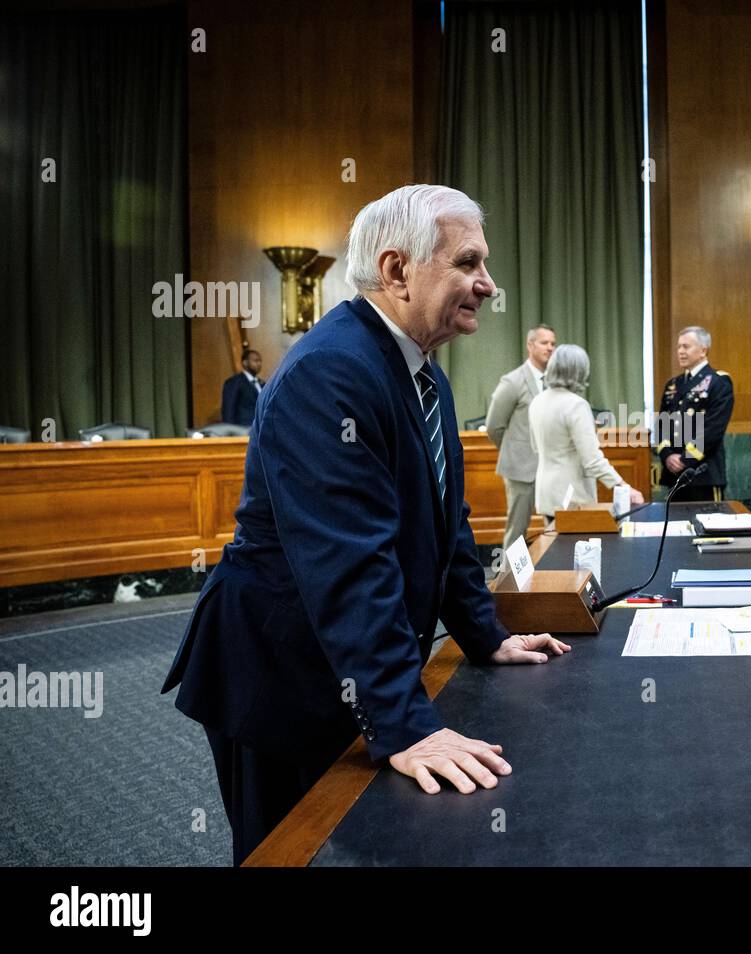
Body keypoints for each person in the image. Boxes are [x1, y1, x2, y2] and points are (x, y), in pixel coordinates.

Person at [161, 185, 571, 865]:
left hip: (344, 670)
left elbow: (449, 528)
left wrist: (486, 636)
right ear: (397, 270)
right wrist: (407, 725)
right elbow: (349, 564)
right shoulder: (332, 372)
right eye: (468, 262)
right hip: (279, 680)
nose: (488, 284)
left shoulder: (424, 376)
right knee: (293, 850)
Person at [529, 343, 644, 519]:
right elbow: (592, 460)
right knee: (576, 547)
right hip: (572, 497)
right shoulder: (576, 405)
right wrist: (623, 487)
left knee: (555, 546)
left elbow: (536, 447)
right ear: (580, 371)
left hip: (546, 494)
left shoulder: (537, 401)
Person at [485, 324, 556, 548]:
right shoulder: (513, 381)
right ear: (530, 345)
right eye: (544, 343)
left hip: (551, 470)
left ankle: (556, 580)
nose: (550, 348)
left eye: (553, 343)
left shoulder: (556, 382)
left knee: (557, 528)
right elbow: (494, 426)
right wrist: (515, 452)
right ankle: (509, 582)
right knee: (517, 531)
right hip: (520, 471)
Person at [654, 326, 735, 502]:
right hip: (674, 476)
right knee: (676, 528)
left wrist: (685, 459)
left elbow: (713, 429)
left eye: (686, 346)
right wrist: (667, 455)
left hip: (703, 473)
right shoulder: (672, 385)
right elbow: (662, 424)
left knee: (707, 527)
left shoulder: (718, 382)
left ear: (703, 350)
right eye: (678, 347)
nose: (680, 352)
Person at [220, 349, 263, 426]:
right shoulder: (235, 382)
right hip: (242, 429)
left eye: (260, 361)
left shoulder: (262, 383)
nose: (259, 363)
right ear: (245, 363)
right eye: (255, 361)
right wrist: (229, 431)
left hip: (261, 429)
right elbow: (228, 409)